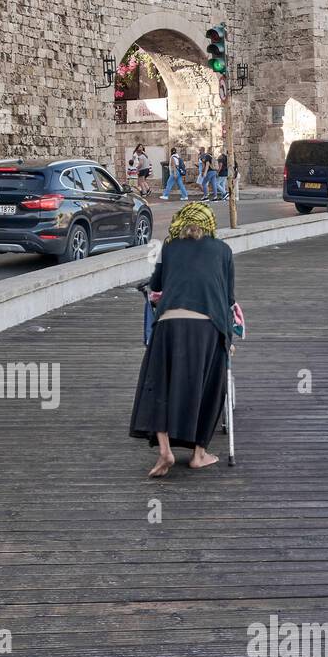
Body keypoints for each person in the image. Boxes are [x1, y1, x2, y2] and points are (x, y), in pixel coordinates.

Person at [129, 203, 237, 477]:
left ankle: (165, 450)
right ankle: (198, 455)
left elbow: (156, 286)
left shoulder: (170, 247)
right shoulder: (223, 251)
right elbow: (228, 297)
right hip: (207, 324)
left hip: (169, 323)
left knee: (160, 383)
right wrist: (228, 338)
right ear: (210, 225)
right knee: (208, 386)